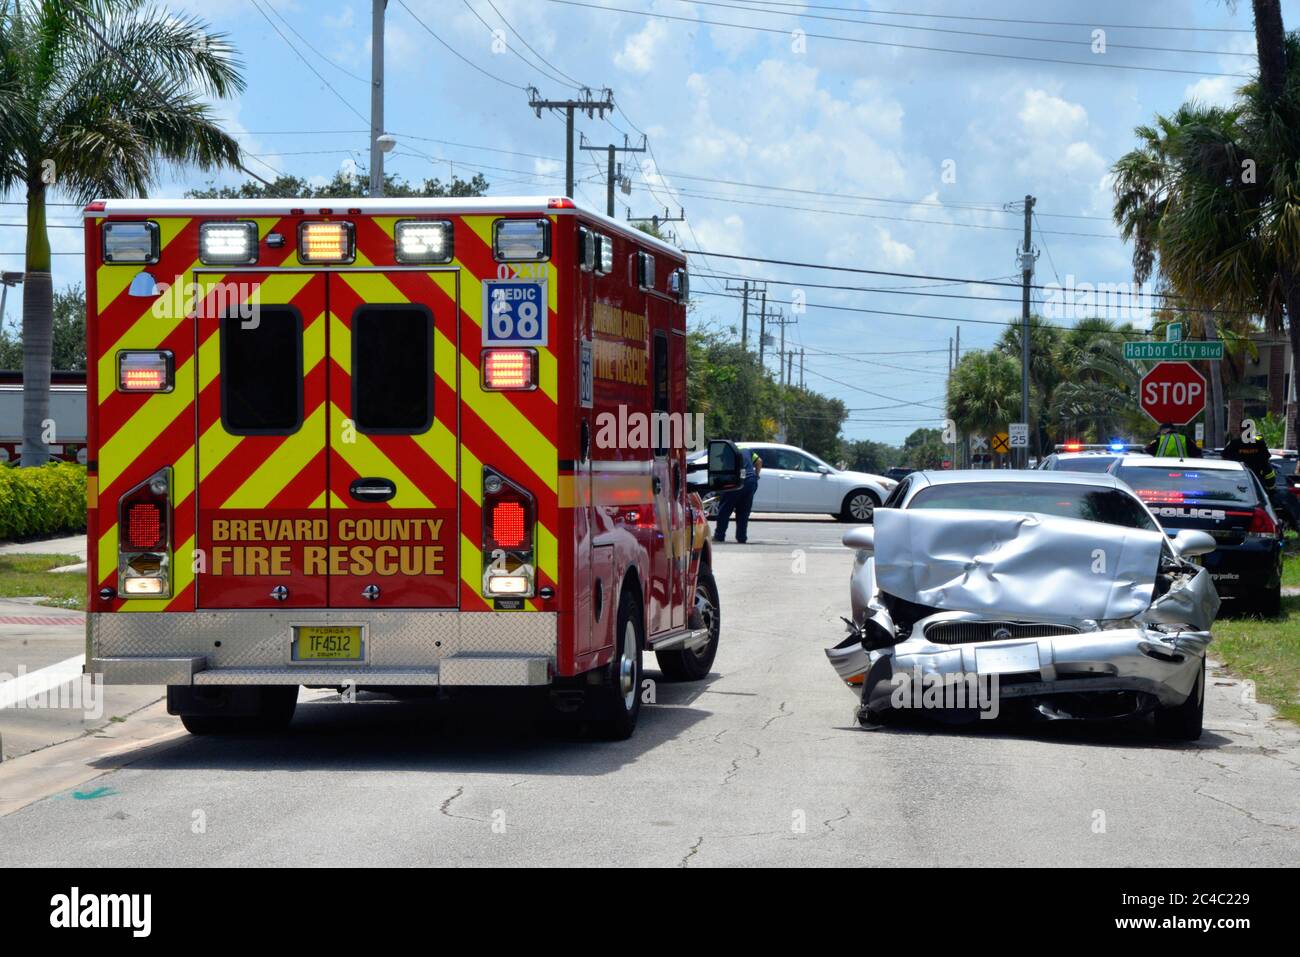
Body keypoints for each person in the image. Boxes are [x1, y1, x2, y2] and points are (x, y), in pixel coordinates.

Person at [1223, 422, 1300, 530]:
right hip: (1257, 486)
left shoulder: (1233, 444)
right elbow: (1267, 470)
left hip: (1234, 487)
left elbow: (1224, 463)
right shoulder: (1259, 444)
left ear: (1240, 430)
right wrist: (1271, 489)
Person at [713, 449, 762, 543]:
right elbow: (759, 461)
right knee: (743, 511)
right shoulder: (746, 450)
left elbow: (724, 473)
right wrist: (757, 475)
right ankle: (741, 537)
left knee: (724, 510)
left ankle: (719, 536)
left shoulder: (727, 453)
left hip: (736, 481)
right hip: (750, 481)